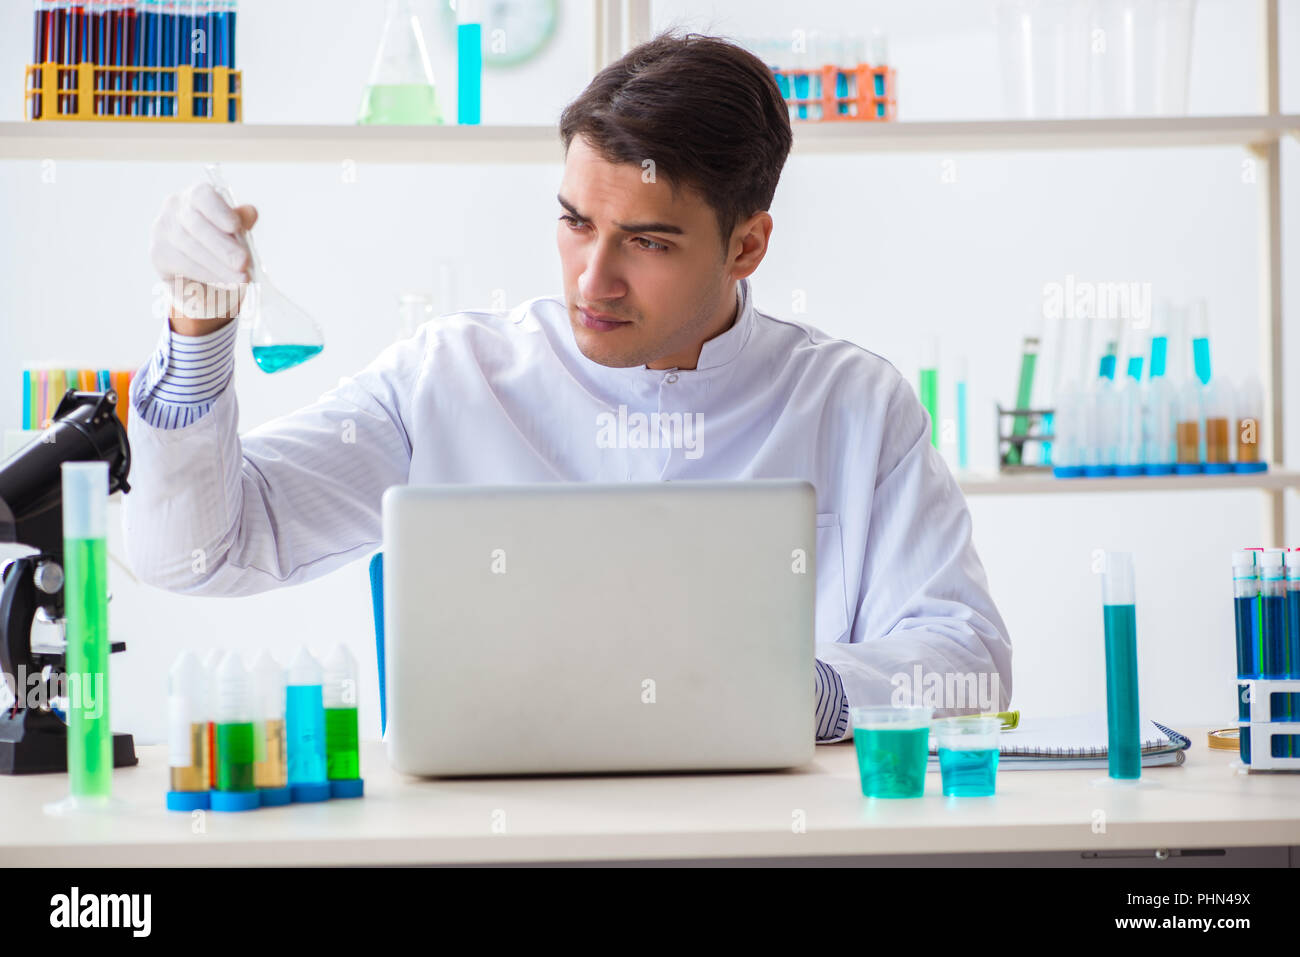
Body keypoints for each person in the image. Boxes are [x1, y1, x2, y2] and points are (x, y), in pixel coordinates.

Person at [124, 32, 1011, 744]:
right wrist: (198, 332)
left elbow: (969, 662)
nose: (593, 280)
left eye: (649, 243)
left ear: (747, 245)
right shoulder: (450, 380)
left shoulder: (855, 405)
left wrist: (786, 690)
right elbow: (195, 551)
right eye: (575, 222)